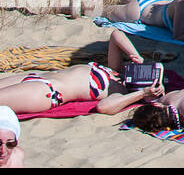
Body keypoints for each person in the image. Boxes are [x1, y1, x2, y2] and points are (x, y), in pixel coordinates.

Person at [0, 29, 161, 117]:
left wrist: (142, 94)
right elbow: (115, 35)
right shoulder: (116, 70)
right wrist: (134, 55)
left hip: (47, 91)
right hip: (39, 77)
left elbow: (104, 108)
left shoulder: (118, 92)